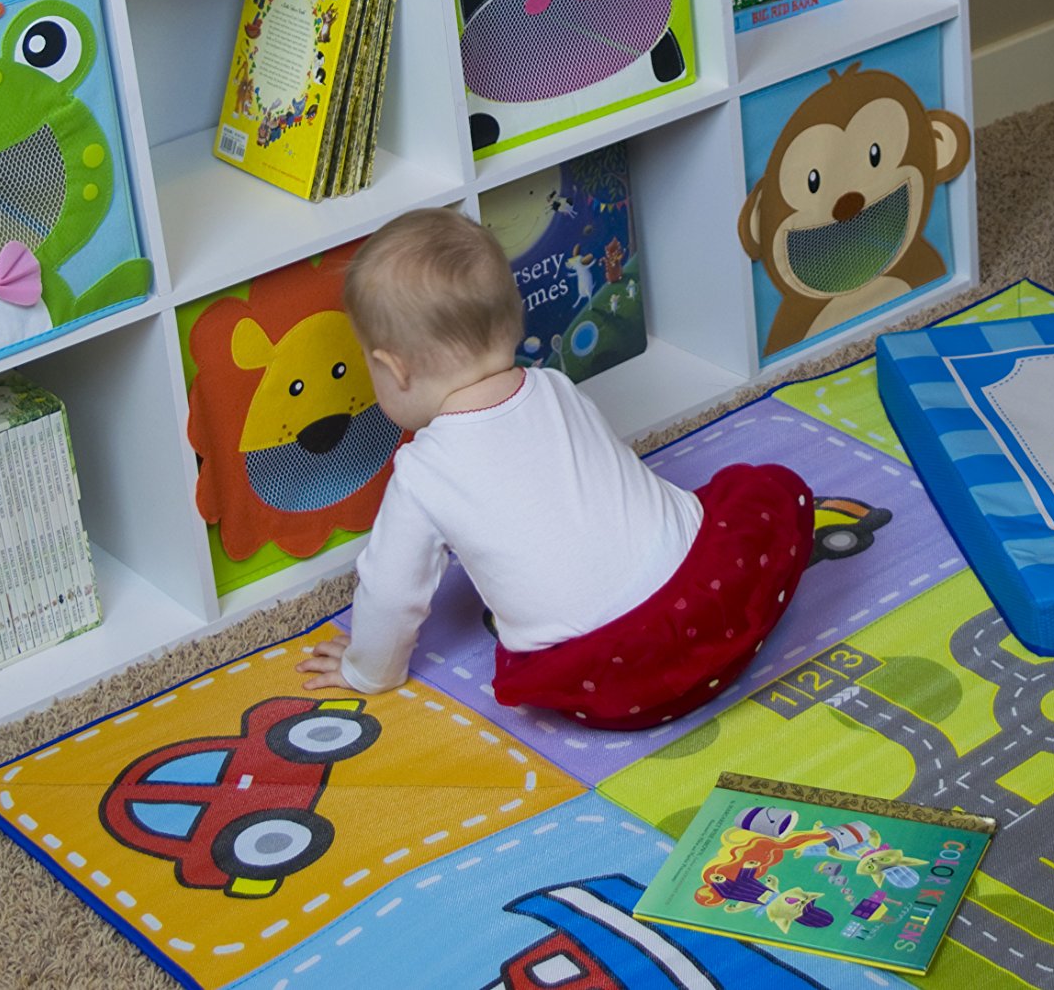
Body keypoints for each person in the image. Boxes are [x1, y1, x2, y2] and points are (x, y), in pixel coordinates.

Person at [297, 208, 812, 730]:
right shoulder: (554, 387)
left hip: (620, 683)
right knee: (753, 491)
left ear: (393, 368)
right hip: (722, 605)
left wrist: (368, 670)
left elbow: (390, 593)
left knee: (540, 645)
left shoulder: (421, 472)